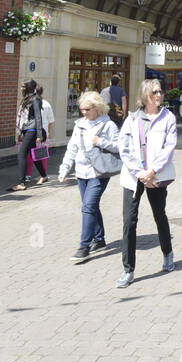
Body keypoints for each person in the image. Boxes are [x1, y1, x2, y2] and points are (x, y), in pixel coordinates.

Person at [115, 79, 178, 288]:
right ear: (145, 95)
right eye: (154, 92)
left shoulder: (168, 118)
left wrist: (152, 171)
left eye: (160, 91)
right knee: (129, 222)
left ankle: (167, 253)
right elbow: (124, 148)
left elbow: (169, 148)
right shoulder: (132, 119)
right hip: (134, 178)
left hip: (156, 176)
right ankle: (128, 269)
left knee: (159, 215)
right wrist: (139, 172)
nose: (159, 95)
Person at [57, 91, 121, 262]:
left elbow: (120, 147)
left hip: (98, 172)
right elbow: (72, 148)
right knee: (91, 206)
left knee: (87, 206)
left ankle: (84, 246)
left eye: (87, 109)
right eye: (82, 109)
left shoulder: (109, 125)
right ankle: (99, 239)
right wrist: (64, 169)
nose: (83, 112)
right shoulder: (79, 125)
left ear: (97, 108)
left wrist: (100, 142)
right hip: (81, 172)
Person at [10, 80, 47, 191]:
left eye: (23, 87)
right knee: (33, 154)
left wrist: (39, 134)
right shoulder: (27, 98)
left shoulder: (35, 99)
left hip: (32, 129)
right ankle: (44, 176)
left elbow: (38, 117)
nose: (21, 89)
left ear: (29, 87)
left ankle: (22, 183)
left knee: (22, 154)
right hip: (27, 129)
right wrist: (21, 131)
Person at [24, 86, 56, 181]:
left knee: (29, 154)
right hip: (43, 133)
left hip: (30, 132)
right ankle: (43, 175)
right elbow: (51, 120)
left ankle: (28, 175)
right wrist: (48, 132)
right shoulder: (46, 104)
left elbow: (25, 119)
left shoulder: (29, 103)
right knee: (42, 155)